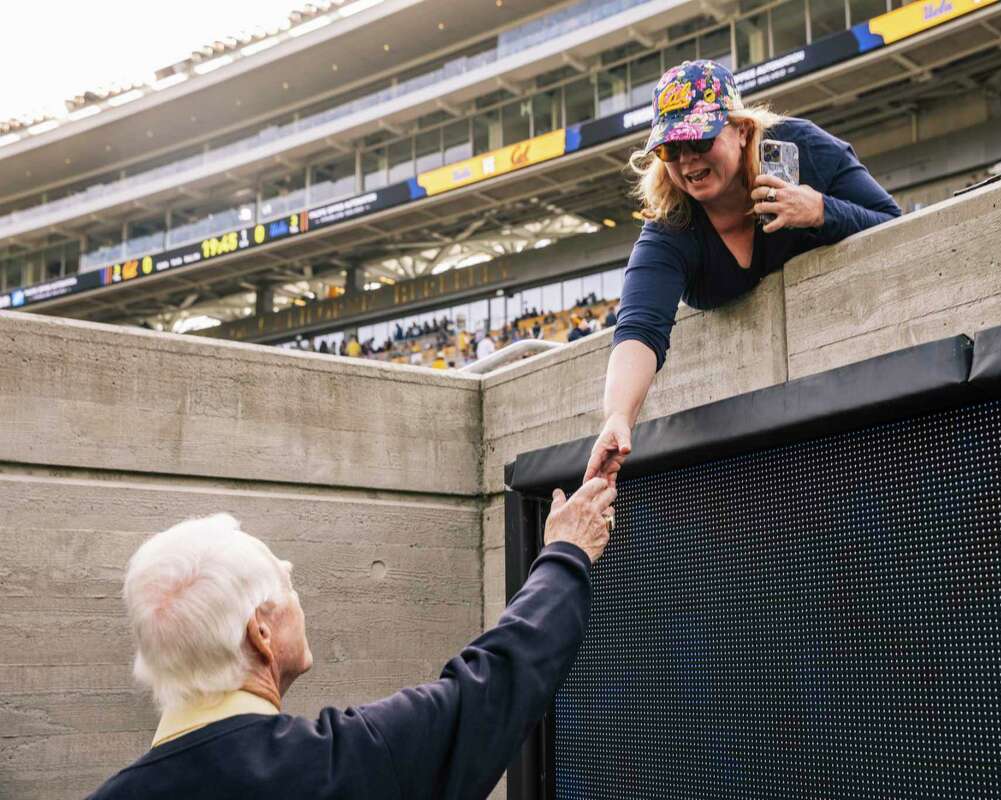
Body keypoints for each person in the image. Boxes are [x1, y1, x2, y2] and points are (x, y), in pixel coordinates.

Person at [87, 480, 616, 799]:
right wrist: (566, 552)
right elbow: (495, 683)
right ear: (262, 635)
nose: (299, 598)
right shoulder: (347, 764)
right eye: (287, 584)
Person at [584, 60, 901, 486]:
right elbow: (640, 328)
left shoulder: (805, 149)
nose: (687, 160)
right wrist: (619, 418)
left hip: (858, 377)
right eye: (671, 150)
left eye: (700, 140)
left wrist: (821, 211)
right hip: (754, 427)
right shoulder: (671, 226)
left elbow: (893, 226)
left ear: (742, 131)